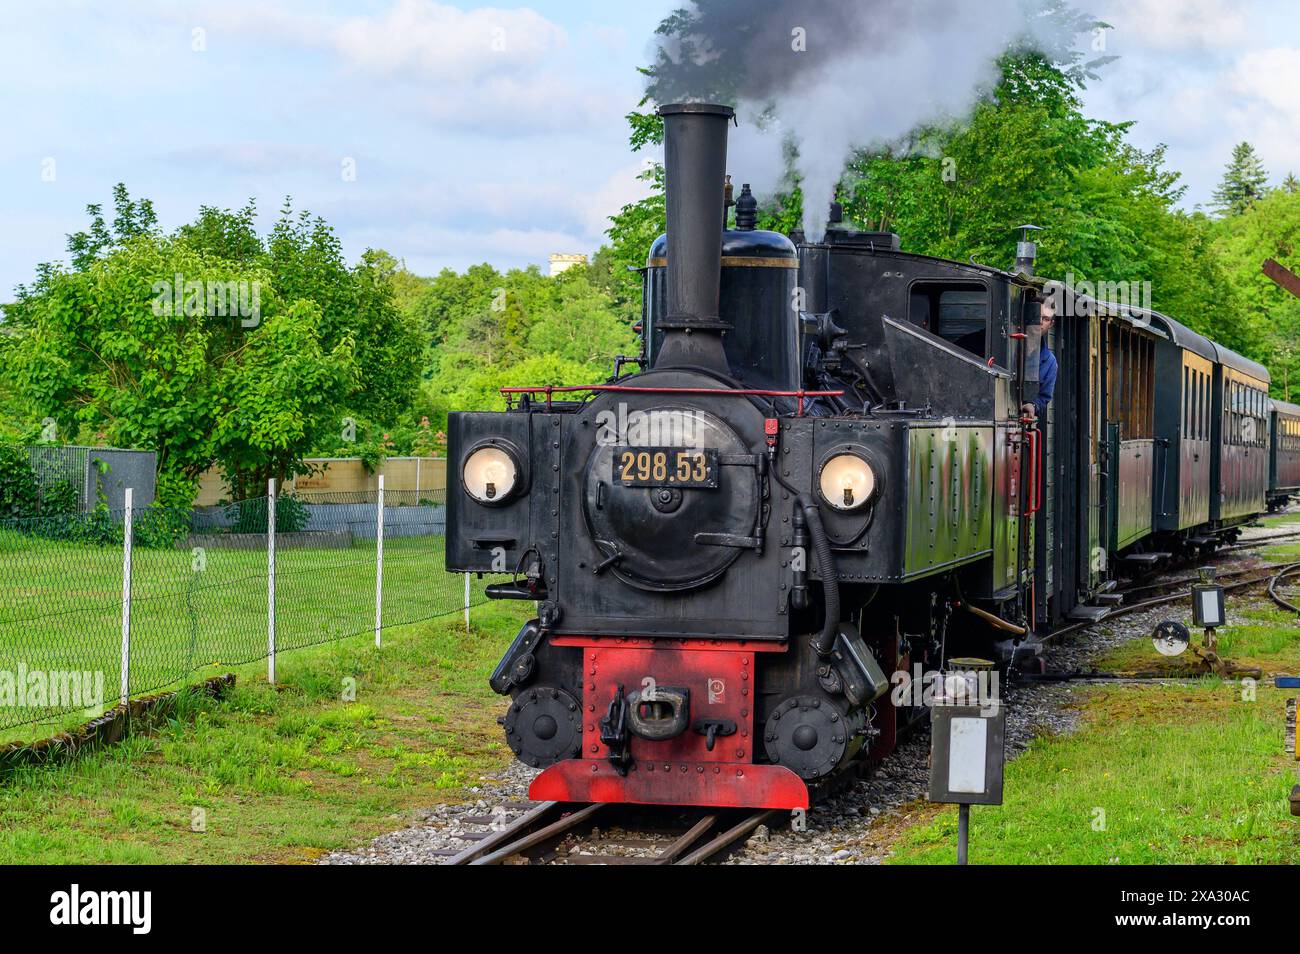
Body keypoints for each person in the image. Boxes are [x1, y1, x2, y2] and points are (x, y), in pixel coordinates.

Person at [1023, 299, 1057, 420]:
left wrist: (1033, 405)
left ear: (1051, 324)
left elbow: (1043, 398)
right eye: (1038, 316)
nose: (1040, 322)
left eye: (1046, 319)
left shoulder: (1050, 362)